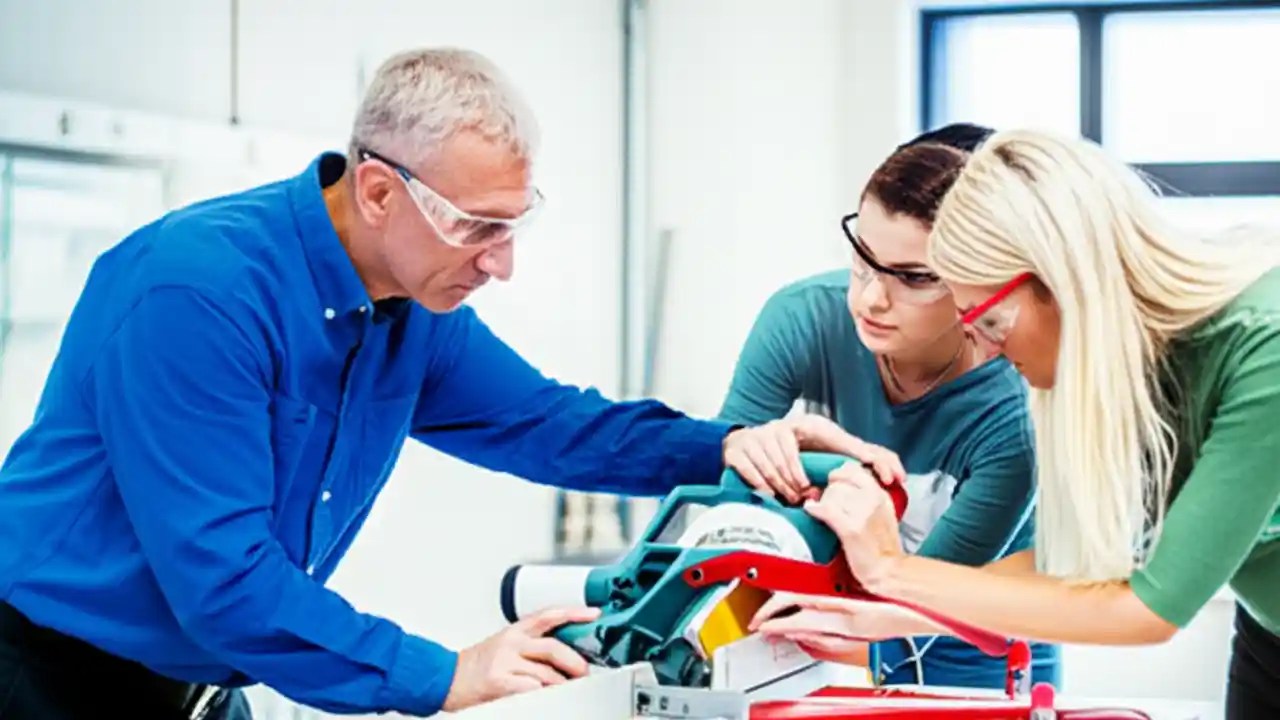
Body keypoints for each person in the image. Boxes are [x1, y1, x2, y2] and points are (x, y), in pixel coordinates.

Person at [0, 48, 867, 720]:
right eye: (476, 228)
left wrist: (730, 449)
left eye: (514, 224)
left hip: (194, 686)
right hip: (43, 679)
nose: (503, 263)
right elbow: (225, 583)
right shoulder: (196, 297)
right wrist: (447, 674)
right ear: (378, 191)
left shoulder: (411, 311)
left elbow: (550, 424)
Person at [776, 128, 1280, 719]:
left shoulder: (1262, 346)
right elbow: (1078, 559)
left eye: (987, 321)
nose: (985, 352)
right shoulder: (1133, 365)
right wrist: (887, 613)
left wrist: (892, 570)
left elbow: (1151, 608)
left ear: (1059, 280)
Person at [722, 123, 1061, 690]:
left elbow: (923, 602)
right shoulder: (800, 318)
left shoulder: (1014, 415)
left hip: (974, 659)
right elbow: (717, 507)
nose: (873, 298)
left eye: (913, 278)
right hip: (817, 640)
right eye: (863, 260)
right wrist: (759, 458)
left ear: (980, 283)